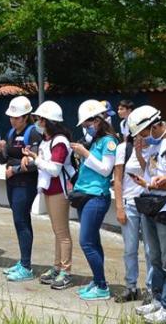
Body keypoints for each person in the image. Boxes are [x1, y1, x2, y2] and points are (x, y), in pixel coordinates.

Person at [128, 105, 166, 324]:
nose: (142, 138)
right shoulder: (155, 144)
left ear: (154, 126)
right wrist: (146, 180)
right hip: (151, 205)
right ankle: (157, 299)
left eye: (143, 133)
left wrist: (157, 185)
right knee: (153, 256)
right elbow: (154, 172)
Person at [70, 99, 118, 300]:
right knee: (93, 242)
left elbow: (106, 170)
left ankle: (102, 286)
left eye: (88, 124)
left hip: (97, 196)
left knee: (86, 242)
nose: (85, 128)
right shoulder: (96, 141)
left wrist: (85, 153)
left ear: (98, 121)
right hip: (85, 195)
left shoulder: (109, 141)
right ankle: (98, 280)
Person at [30, 101, 75, 290]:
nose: (38, 122)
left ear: (49, 121)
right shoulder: (47, 140)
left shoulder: (60, 141)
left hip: (59, 190)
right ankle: (57, 267)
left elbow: (55, 170)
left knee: (62, 232)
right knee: (57, 231)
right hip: (49, 189)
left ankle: (66, 270)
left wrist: (36, 160)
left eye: (40, 119)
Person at [0, 96, 41, 281]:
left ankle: (26, 267)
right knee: (18, 221)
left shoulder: (33, 133)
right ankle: (23, 261)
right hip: (12, 183)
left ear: (26, 117)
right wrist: (0, 149)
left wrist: (14, 170)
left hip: (25, 183)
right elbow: (3, 160)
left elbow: (36, 162)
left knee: (21, 221)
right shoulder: (11, 133)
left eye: (16, 117)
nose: (12, 120)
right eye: (11, 117)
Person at [112, 115, 151, 302]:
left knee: (151, 250)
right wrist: (119, 206)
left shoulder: (154, 147)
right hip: (130, 203)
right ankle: (131, 286)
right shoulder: (123, 148)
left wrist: (140, 153)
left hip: (150, 203)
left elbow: (150, 174)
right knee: (130, 248)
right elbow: (118, 179)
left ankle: (152, 289)